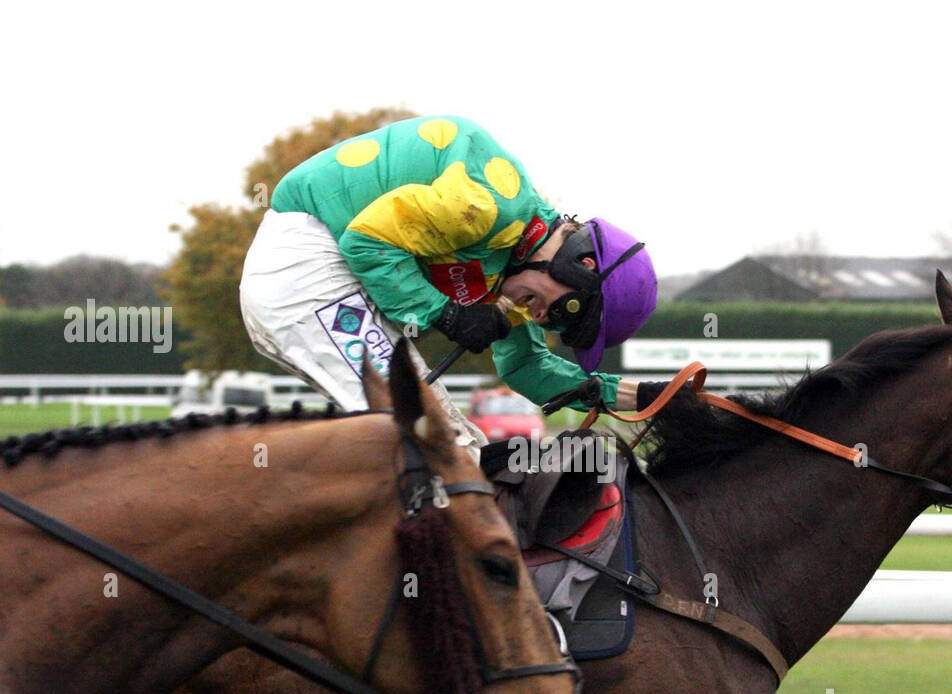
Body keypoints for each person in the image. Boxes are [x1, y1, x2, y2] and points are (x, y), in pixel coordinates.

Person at [239, 114, 664, 458]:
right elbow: (365, 242)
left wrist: (644, 396)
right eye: (564, 312)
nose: (539, 317)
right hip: (302, 265)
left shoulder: (512, 257)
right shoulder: (488, 208)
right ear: (582, 266)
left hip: (319, 274)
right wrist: (447, 315)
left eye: (554, 325)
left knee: (461, 450)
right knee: (444, 447)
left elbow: (527, 367)